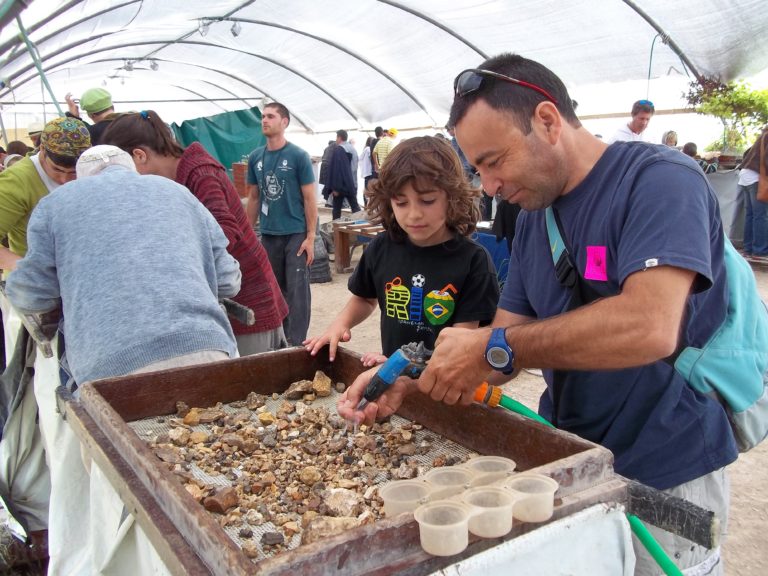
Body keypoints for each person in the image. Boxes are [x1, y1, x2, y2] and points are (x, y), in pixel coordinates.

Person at [339, 54, 739, 575]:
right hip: (567, 462)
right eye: (477, 169)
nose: (487, 186)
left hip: (669, 470)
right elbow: (504, 349)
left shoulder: (660, 181)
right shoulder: (534, 220)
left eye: (493, 161)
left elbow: (649, 326)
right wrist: (411, 382)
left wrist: (493, 347)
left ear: (548, 121)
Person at [5, 144, 240, 575]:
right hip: (209, 353)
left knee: (137, 506)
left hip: (110, 372)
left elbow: (30, 294)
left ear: (80, 178)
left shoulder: (56, 204)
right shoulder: (178, 193)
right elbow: (228, 279)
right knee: (220, 476)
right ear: (133, 170)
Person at [101, 111, 289, 355]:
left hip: (251, 300)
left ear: (139, 155)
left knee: (254, 383)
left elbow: (224, 234)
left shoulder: (200, 173)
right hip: (227, 298)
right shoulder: (175, 180)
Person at [305, 136, 499, 366]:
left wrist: (408, 366)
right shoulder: (381, 248)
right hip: (394, 373)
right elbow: (365, 299)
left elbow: (463, 340)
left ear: (453, 198)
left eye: (427, 200)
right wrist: (339, 325)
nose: (414, 214)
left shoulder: (473, 261)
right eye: (401, 202)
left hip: (443, 379)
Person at [245, 102, 317, 345]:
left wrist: (310, 237)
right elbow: (254, 197)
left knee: (297, 292)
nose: (265, 120)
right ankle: (279, 341)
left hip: (295, 234)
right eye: (263, 116)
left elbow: (309, 198)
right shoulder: (256, 157)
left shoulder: (298, 156)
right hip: (269, 234)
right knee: (273, 291)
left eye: (271, 116)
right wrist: (245, 234)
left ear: (284, 122)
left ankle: (296, 343)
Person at [0, 117, 91, 273]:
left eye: (74, 172)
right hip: (35, 287)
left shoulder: (92, 169)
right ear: (42, 149)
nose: (65, 179)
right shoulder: (16, 182)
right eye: (57, 170)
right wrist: (31, 272)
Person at [738, 128, 768, 259]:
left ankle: (748, 249)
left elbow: (746, 153)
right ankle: (759, 251)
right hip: (756, 178)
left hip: (745, 176)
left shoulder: (762, 136)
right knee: (760, 215)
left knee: (751, 215)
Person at [326, 129, 362, 219]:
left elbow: (337, 170)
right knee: (355, 207)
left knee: (337, 209)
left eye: (336, 137)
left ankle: (335, 229)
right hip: (351, 183)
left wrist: (335, 187)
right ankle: (359, 225)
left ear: (339, 137)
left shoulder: (340, 150)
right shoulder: (352, 149)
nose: (336, 140)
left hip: (341, 185)